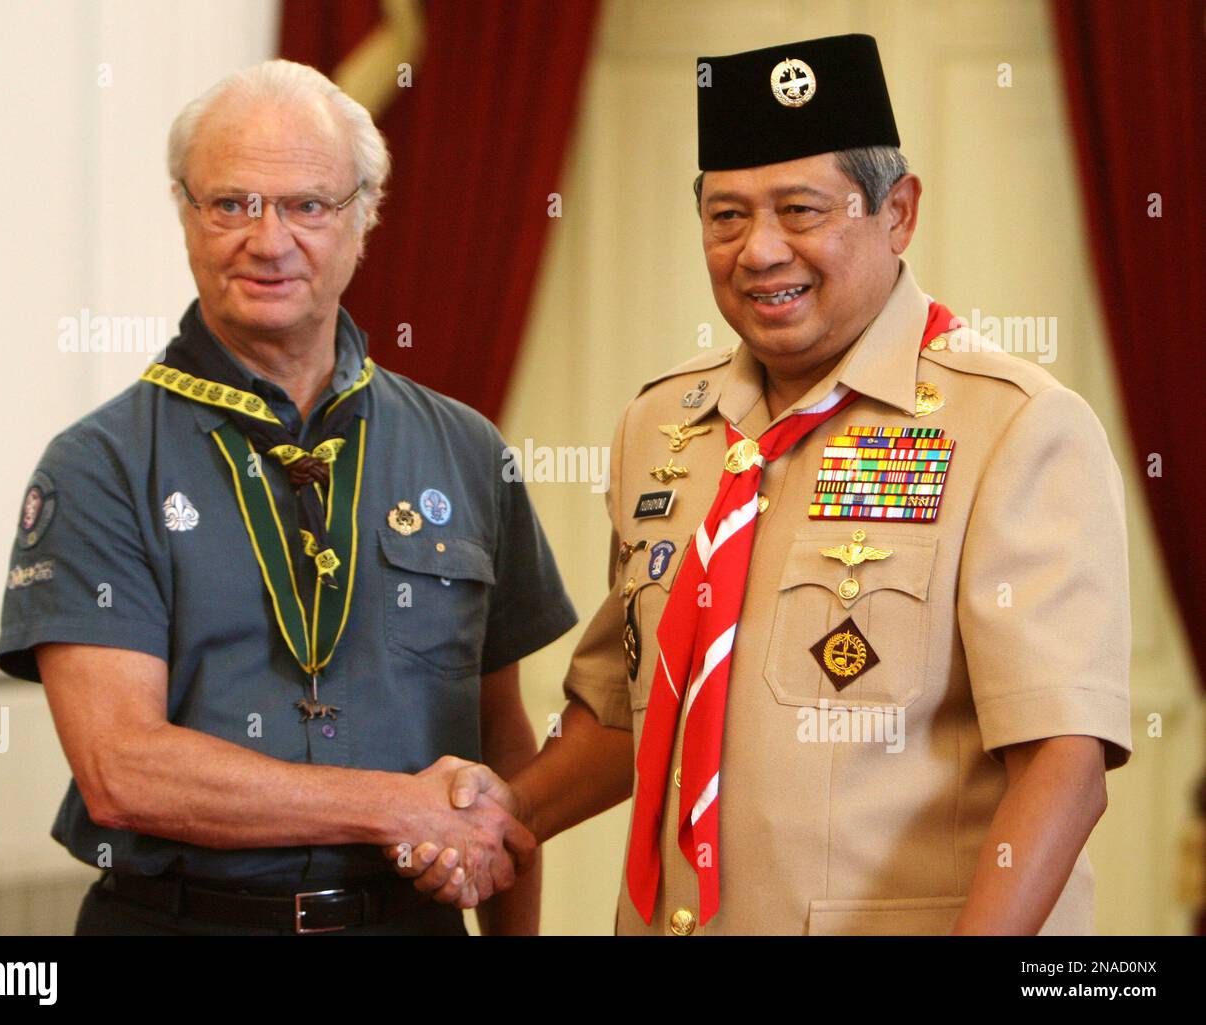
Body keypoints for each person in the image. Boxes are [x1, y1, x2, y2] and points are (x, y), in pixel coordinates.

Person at [396, 33, 1132, 935]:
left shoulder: (1014, 426)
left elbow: (1065, 761)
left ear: (898, 212)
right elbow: (630, 714)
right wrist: (493, 818)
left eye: (802, 210)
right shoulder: (662, 426)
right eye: (727, 216)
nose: (760, 251)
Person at [0, 59, 576, 936]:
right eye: (231, 203)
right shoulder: (97, 467)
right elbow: (122, 768)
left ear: (362, 220)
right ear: (186, 215)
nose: (268, 241)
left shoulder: (465, 449)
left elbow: (502, 753)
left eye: (308, 205)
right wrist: (391, 806)